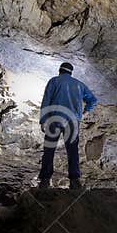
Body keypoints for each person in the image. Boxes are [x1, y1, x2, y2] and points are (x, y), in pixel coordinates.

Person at [37, 62, 97, 190]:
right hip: (73, 121)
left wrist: (43, 120)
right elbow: (93, 100)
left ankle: (45, 180)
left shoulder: (54, 81)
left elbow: (46, 100)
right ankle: (75, 181)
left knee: (49, 150)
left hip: (55, 118)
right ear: (71, 72)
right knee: (72, 151)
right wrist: (85, 113)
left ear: (60, 71)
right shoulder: (79, 84)